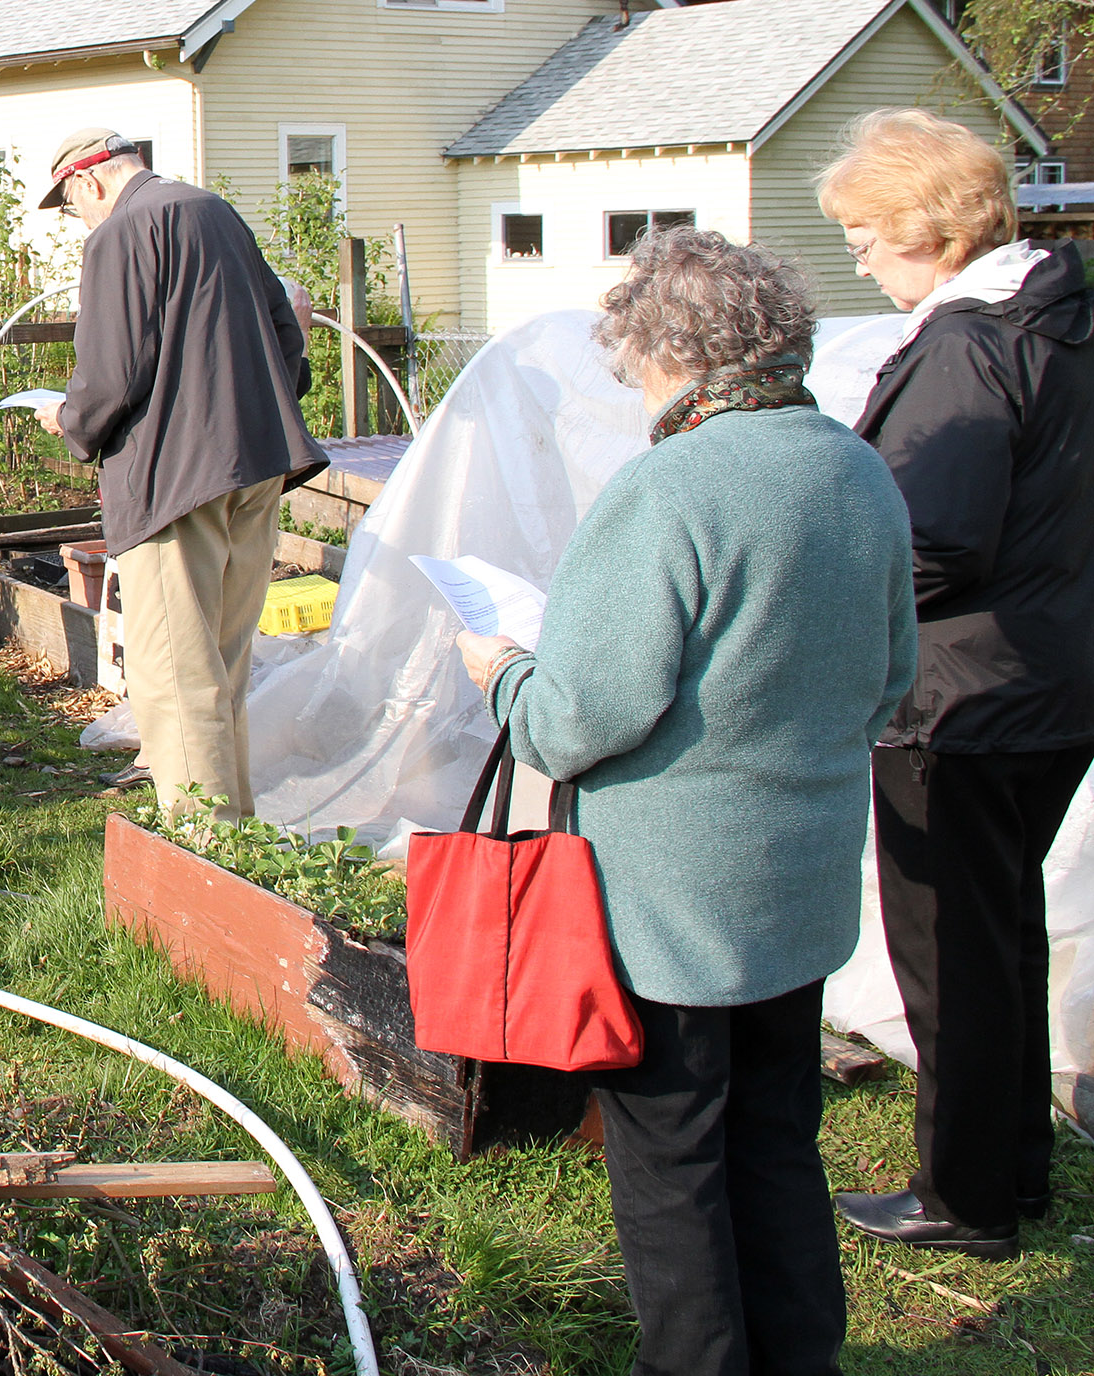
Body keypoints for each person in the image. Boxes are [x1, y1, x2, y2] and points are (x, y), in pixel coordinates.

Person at [456, 229, 917, 1376]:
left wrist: (503, 673)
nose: (635, 386)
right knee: (777, 1139)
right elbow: (890, 678)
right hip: (800, 882)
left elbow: (576, 721)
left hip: (670, 904)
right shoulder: (856, 468)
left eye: (634, 362)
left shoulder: (667, 487)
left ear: (671, 354)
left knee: (672, 1163)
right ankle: (801, 1358)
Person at [815, 108, 1094, 1257]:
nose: (860, 263)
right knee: (1004, 933)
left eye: (864, 238)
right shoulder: (1060, 322)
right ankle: (1013, 1171)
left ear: (926, 228)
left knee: (951, 957)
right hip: (1051, 680)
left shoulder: (968, 345)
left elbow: (933, 539)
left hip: (961, 699)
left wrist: (837, 613)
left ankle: (963, 1198)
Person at [31, 129, 321, 820]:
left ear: (89, 180)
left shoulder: (121, 231)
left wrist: (69, 419)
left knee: (174, 675)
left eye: (70, 205)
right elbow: (287, 332)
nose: (78, 219)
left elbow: (112, 371)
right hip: (255, 466)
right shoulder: (213, 209)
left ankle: (204, 848)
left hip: (174, 483)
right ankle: (240, 833)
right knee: (222, 665)